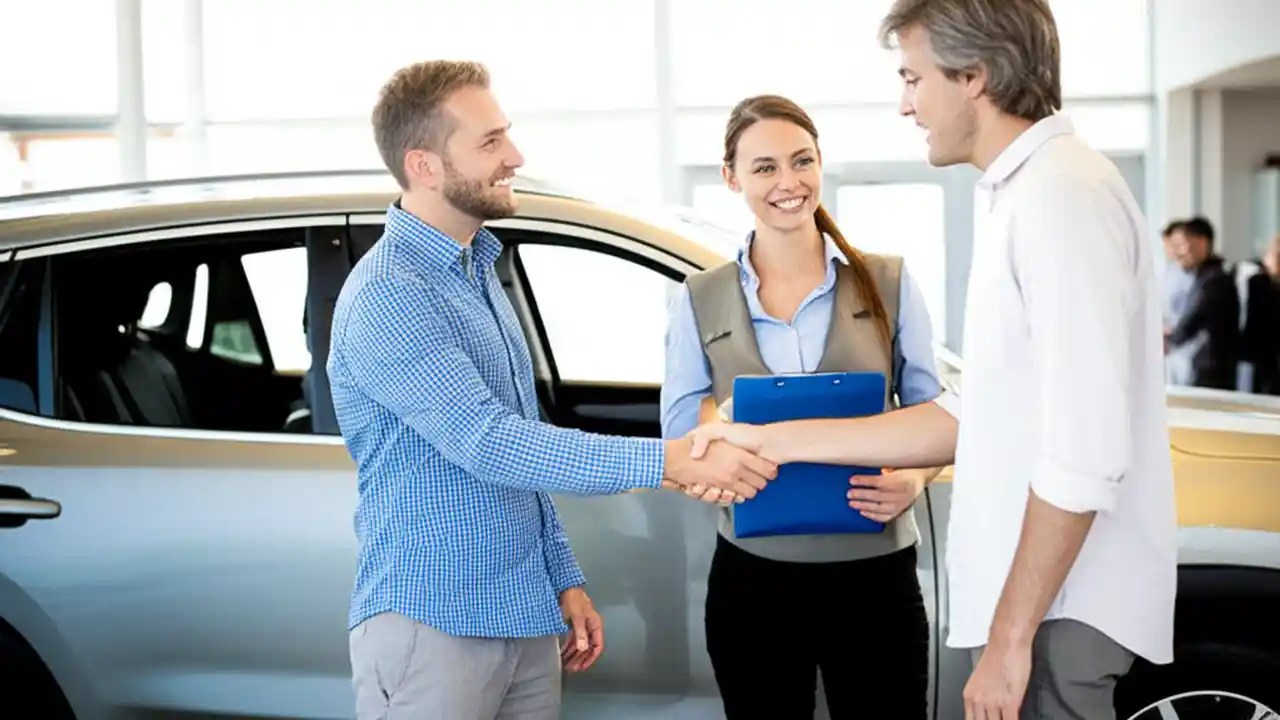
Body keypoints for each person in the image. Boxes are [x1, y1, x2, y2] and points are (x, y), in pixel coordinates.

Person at [688, 2, 1177, 718]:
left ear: (972, 75)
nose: (905, 103)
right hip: (1032, 602)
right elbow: (968, 414)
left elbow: (1085, 451)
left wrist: (1011, 639)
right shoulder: (1028, 195)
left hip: (1052, 609)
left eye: (913, 78)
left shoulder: (1062, 199)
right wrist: (768, 439)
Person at [326, 60, 776, 720]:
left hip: (521, 616)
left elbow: (518, 444)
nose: (515, 156)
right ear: (423, 166)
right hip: (435, 621)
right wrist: (669, 460)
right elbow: (490, 443)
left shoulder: (476, 268)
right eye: (489, 142)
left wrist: (560, 577)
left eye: (506, 135)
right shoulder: (394, 293)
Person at [659, 94, 943, 719]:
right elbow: (681, 438)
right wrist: (719, 436)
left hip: (877, 579)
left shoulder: (888, 281)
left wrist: (913, 478)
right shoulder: (699, 298)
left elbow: (936, 417)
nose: (788, 183)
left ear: (820, 164)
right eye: (764, 168)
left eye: (801, 161)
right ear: (732, 178)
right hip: (754, 582)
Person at [1165, 216, 1240, 390]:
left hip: (1212, 371)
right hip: (1207, 367)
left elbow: (1194, 317)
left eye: (1182, 244)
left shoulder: (1215, 279)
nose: (1178, 253)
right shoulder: (1205, 276)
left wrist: (1169, 340)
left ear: (1200, 242)